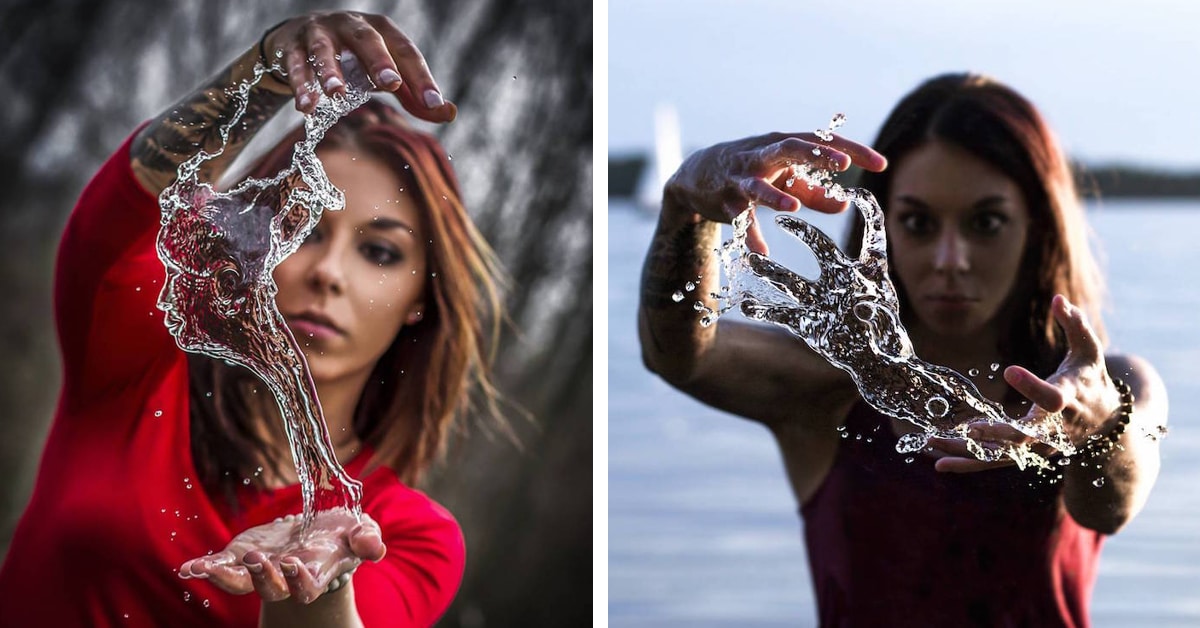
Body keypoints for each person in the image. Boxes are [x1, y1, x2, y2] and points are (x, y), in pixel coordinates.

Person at [0, 11, 502, 627]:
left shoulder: (408, 535)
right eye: (305, 227)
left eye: (379, 251)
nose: (329, 273)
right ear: (250, 234)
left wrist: (322, 588)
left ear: (418, 299)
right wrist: (264, 74)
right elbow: (124, 210)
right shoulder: (136, 358)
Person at [638, 73, 1166, 627]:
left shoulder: (1112, 388)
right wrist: (686, 207)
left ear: (1037, 228)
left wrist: (1103, 426)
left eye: (986, 222)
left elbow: (1112, 508)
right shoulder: (825, 386)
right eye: (917, 222)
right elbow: (680, 355)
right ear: (881, 223)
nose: (949, 258)